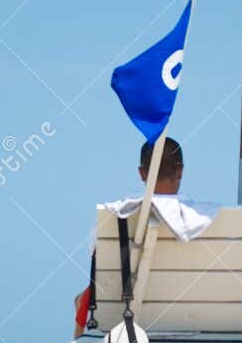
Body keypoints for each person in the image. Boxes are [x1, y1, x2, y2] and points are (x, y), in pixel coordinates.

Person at [73, 136, 219, 331]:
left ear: (142, 173)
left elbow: (97, 261)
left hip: (126, 318)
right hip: (200, 319)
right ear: (181, 171)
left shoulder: (114, 214)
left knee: (82, 298)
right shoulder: (206, 217)